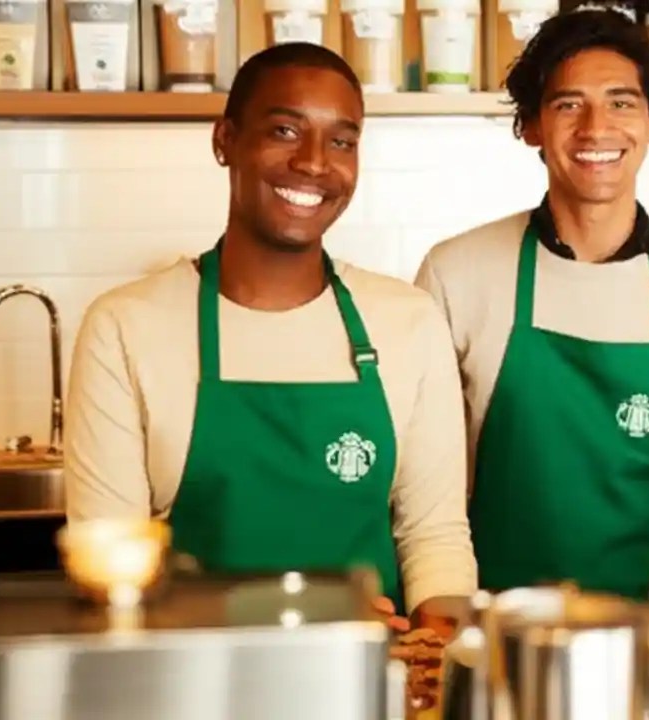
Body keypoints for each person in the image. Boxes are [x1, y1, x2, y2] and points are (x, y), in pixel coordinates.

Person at [63, 42, 477, 635]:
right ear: (224, 140)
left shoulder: (408, 322)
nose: (314, 162)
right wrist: (304, 616)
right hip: (195, 687)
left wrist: (436, 653)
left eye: (342, 140)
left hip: (367, 686)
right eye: (285, 129)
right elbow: (108, 580)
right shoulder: (126, 326)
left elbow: (434, 536)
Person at [414, 7, 649, 601]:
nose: (596, 128)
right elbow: (429, 500)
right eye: (568, 104)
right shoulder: (456, 274)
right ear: (531, 126)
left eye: (622, 103)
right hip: (501, 636)